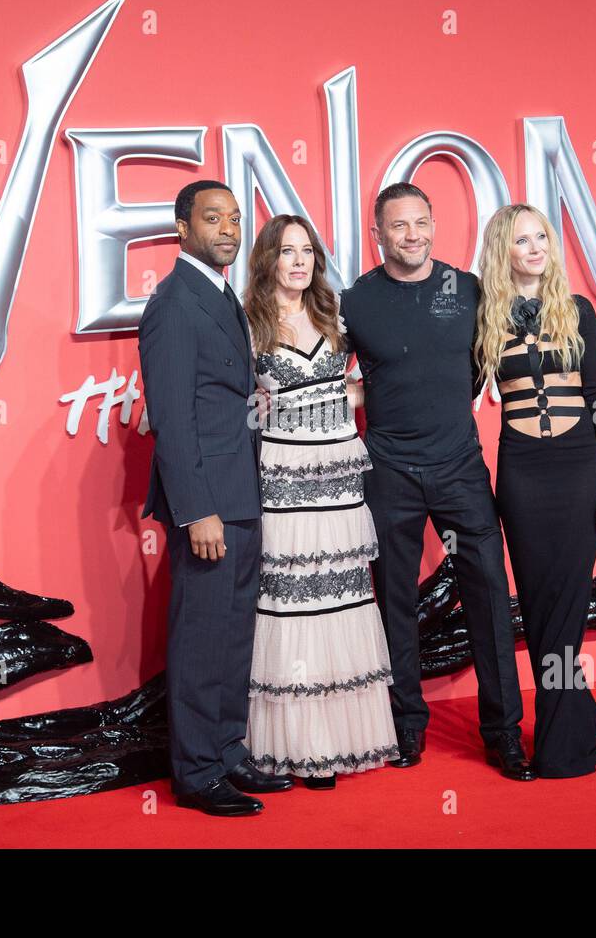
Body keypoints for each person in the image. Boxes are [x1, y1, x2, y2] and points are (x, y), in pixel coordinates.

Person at [340, 182, 533, 780]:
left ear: (433, 224)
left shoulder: (468, 289)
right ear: (378, 236)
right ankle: (405, 729)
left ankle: (503, 733)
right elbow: (327, 375)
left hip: (459, 468)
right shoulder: (355, 302)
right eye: (399, 226)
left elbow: (479, 369)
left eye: (421, 222)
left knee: (490, 601)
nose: (413, 235)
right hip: (388, 472)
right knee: (393, 603)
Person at [137, 180, 294, 816]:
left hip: (242, 494)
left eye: (234, 218)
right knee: (203, 636)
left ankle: (228, 753)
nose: (228, 229)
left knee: (233, 636)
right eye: (212, 218)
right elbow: (172, 419)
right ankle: (196, 771)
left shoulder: (223, 295)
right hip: (208, 503)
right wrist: (196, 508)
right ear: (182, 227)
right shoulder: (175, 304)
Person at [241, 214, 400, 790]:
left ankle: (340, 741)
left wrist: (348, 397)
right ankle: (301, 746)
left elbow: (358, 385)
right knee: (292, 603)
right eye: (287, 252)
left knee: (343, 596)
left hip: (339, 473)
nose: (300, 261)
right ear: (269, 261)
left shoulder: (335, 315)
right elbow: (236, 402)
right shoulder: (250, 323)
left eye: (307, 251)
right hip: (284, 475)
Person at [474, 202, 596, 778]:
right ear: (503, 251)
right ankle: (576, 720)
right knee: (540, 606)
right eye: (522, 240)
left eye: (542, 236)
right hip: (520, 472)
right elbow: (451, 386)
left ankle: (563, 739)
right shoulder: (485, 317)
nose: (536, 247)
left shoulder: (577, 310)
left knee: (567, 603)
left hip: (574, 469)